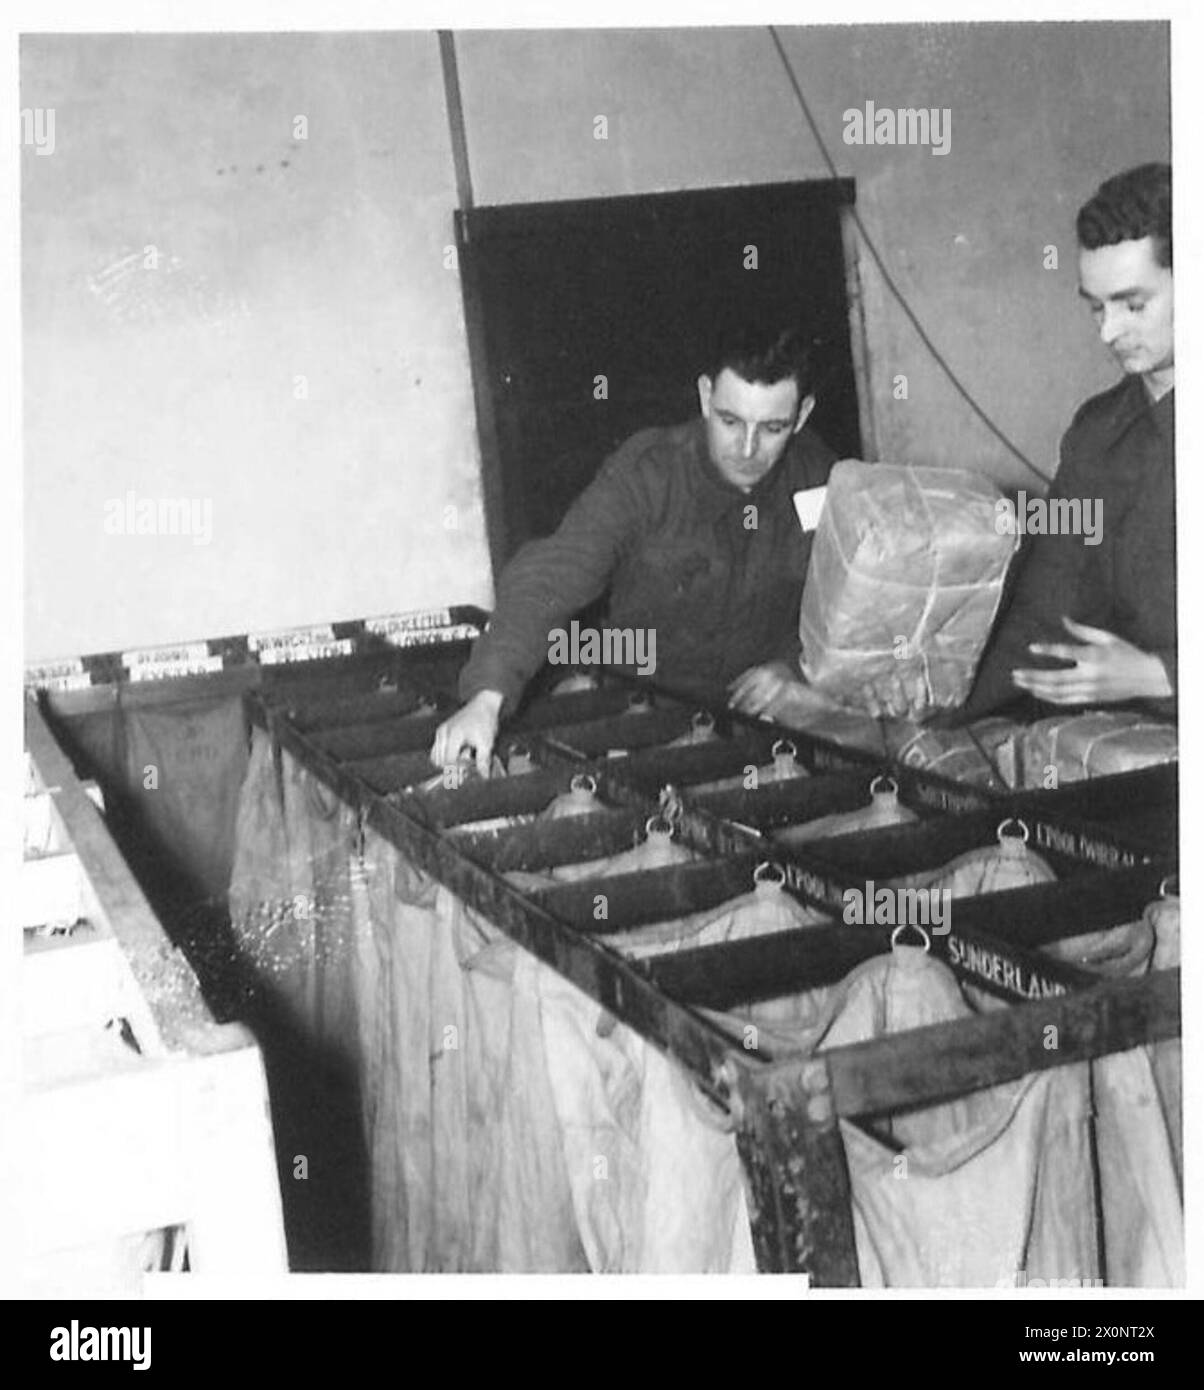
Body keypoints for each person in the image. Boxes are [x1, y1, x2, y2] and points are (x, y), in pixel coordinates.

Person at [430, 323, 837, 774]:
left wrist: (793, 669)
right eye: (730, 421)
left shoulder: (824, 482)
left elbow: (850, 614)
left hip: (758, 724)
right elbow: (549, 575)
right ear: (705, 396)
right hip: (643, 704)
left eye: (773, 428)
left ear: (802, 416)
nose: (747, 448)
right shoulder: (648, 475)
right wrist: (488, 696)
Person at [964, 162, 1175, 720]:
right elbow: (1046, 606)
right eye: (1095, 306)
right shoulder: (1096, 435)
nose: (1108, 332)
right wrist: (957, 724)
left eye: (1133, 305)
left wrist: (1162, 675)